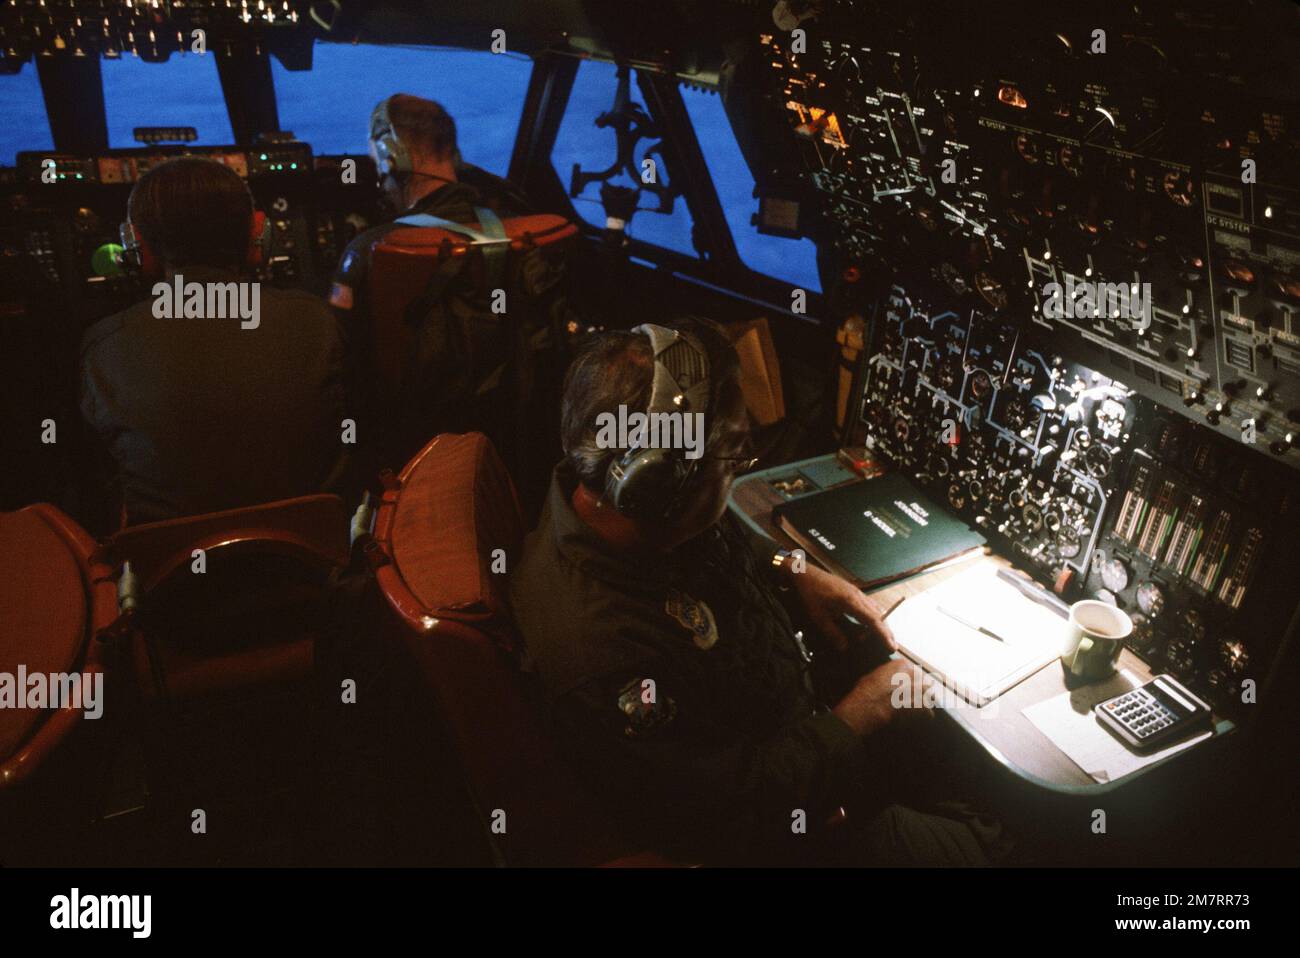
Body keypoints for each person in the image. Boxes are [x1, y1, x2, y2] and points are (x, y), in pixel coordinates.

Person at [508, 318, 1011, 865]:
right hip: (791, 825)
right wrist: (860, 713)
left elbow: (714, 548)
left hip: (802, 731)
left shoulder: (618, 495)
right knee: (1002, 839)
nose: (742, 467)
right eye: (733, 456)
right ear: (658, 484)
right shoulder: (605, 654)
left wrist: (791, 567)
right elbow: (724, 805)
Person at [329, 94, 575, 507]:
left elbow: (337, 362)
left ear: (391, 157)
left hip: (408, 454)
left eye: (377, 163)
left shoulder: (370, 251)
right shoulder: (522, 226)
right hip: (515, 452)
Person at [80, 157, 352, 527]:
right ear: (258, 234)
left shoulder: (105, 345)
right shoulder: (317, 320)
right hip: (317, 559)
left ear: (137, 246)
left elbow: (95, 477)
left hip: (169, 576)